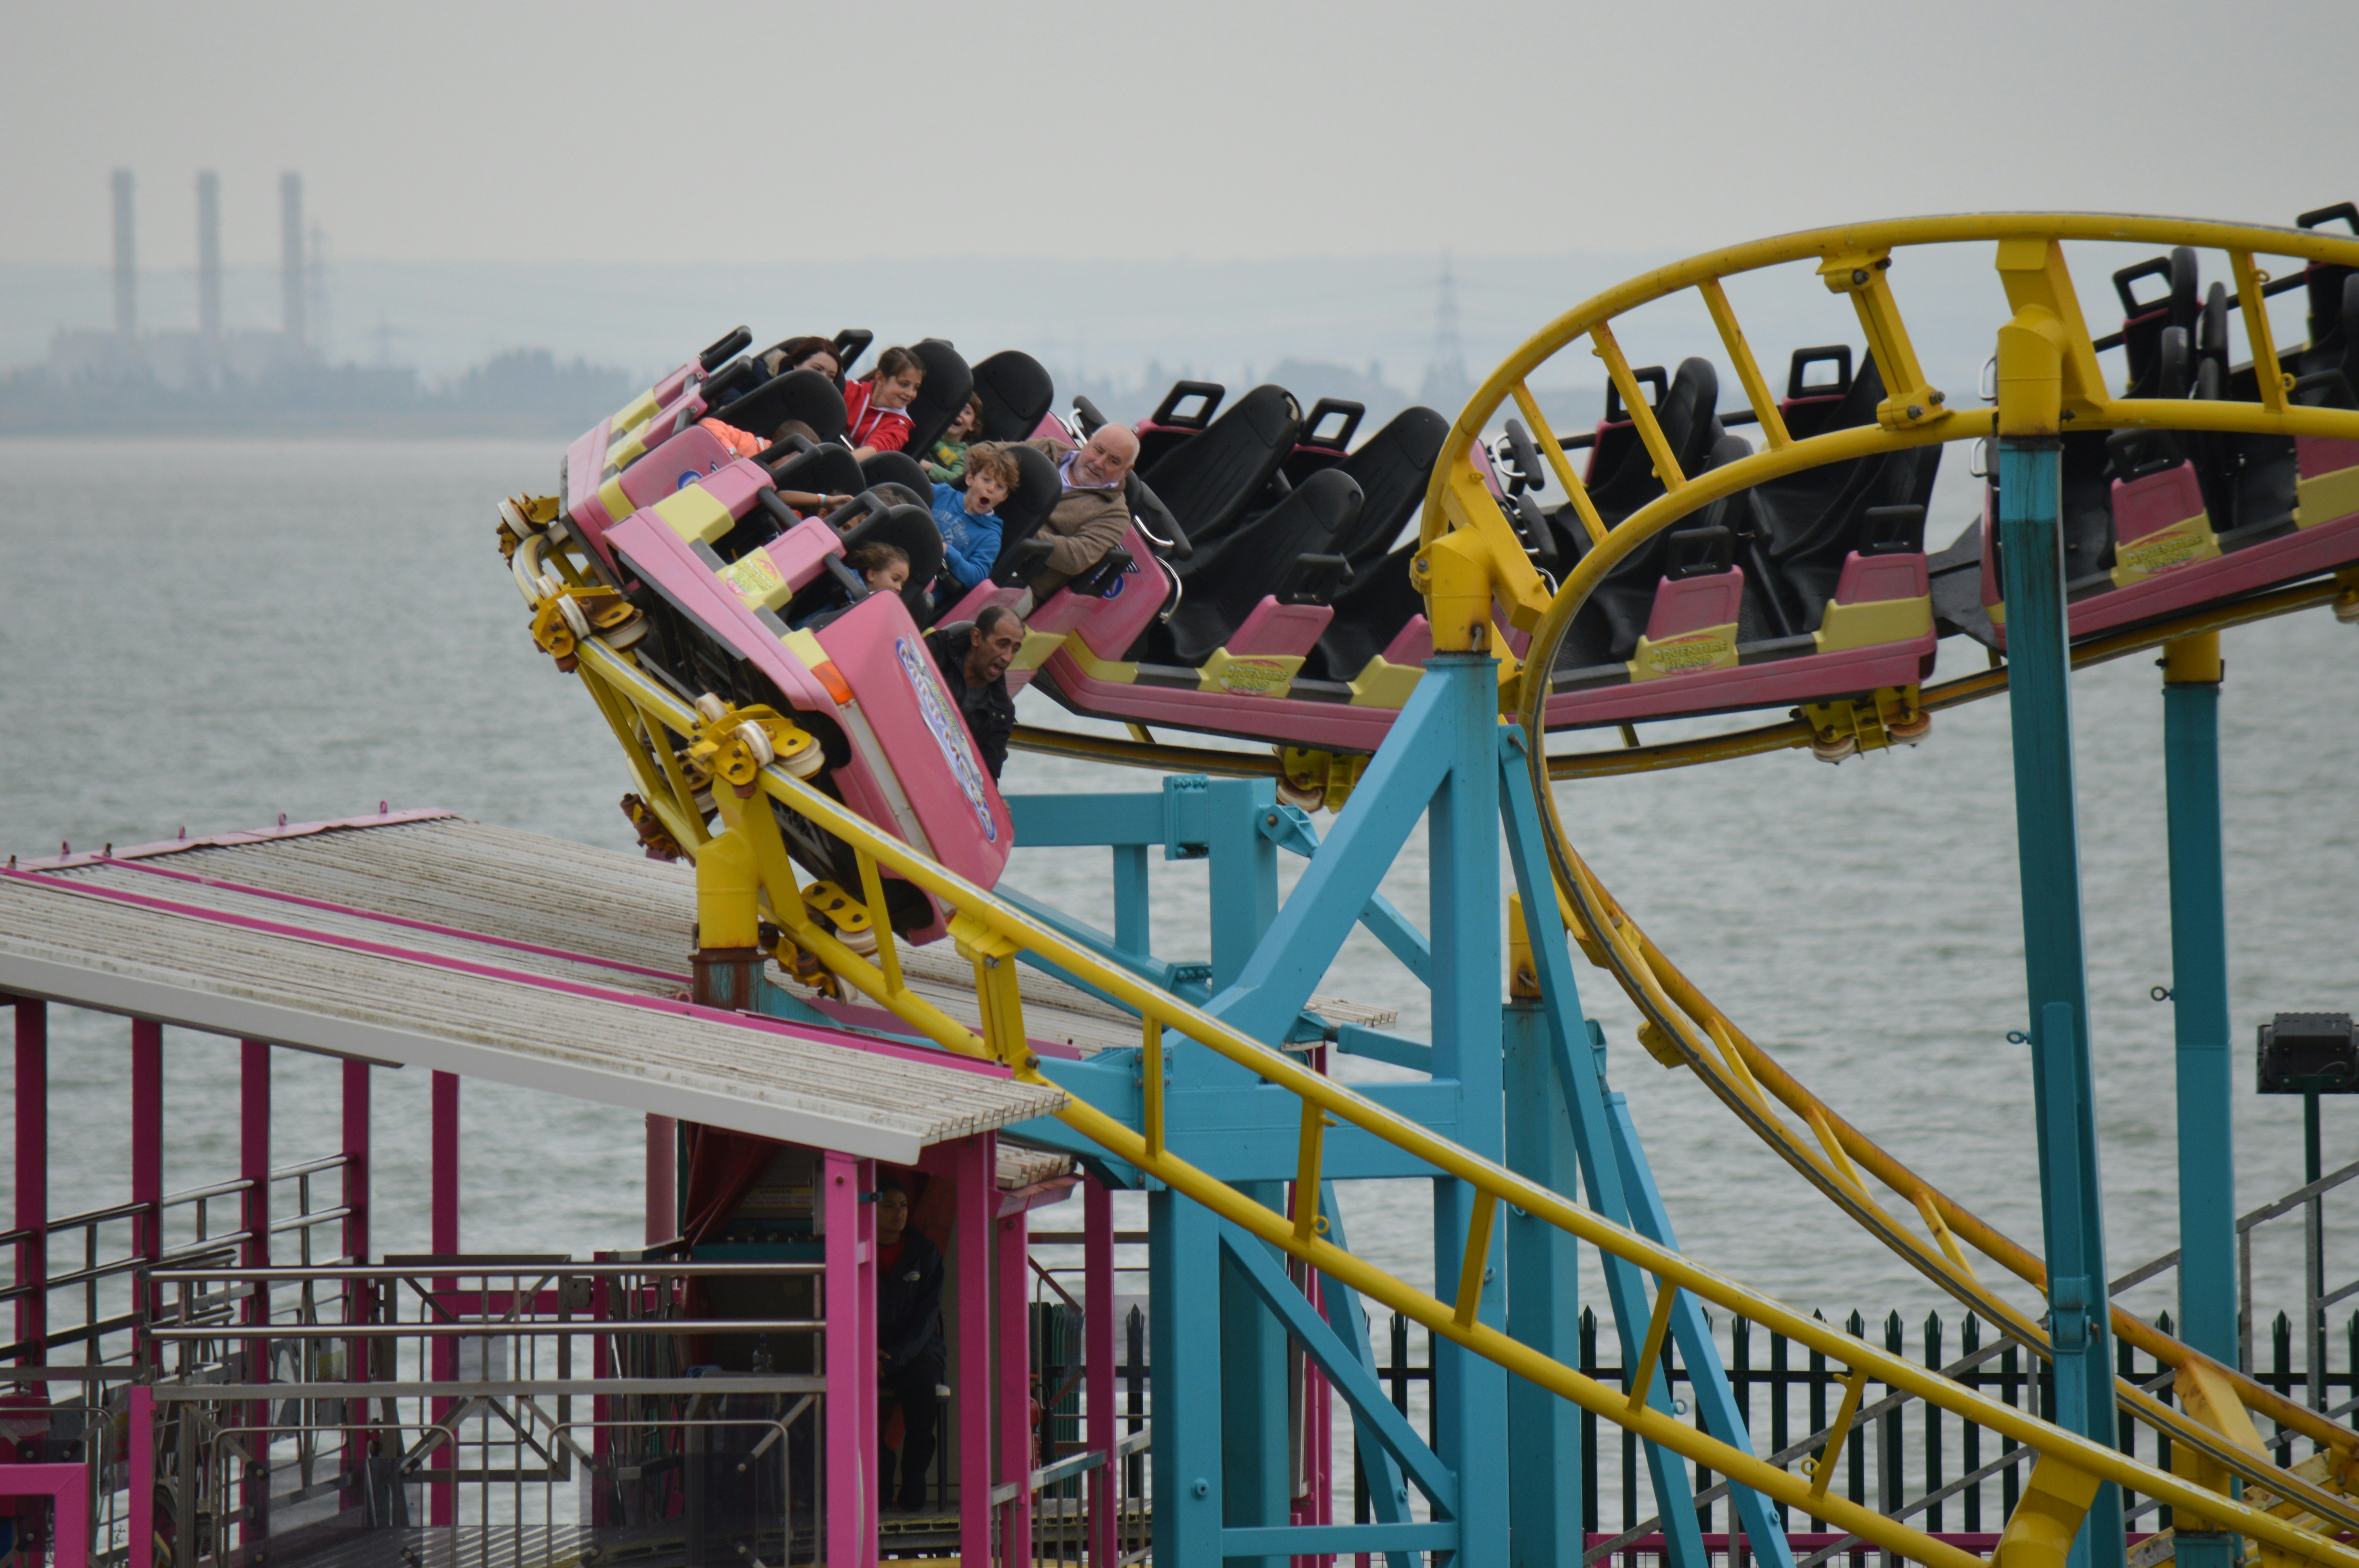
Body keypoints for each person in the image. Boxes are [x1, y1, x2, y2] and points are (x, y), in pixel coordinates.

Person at [873, 1176, 945, 1513]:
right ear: (870, 1208)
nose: (898, 1214)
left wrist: (895, 1359)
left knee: (923, 1391)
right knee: (845, 1399)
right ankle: (877, 1480)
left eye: (902, 1207)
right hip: (868, 1350)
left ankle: (914, 1484)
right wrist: (865, 1353)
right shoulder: (853, 1250)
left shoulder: (925, 1253)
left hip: (917, 1349)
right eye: (889, 1207)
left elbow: (927, 1319)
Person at [1021, 423, 1139, 597]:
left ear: (1126, 471)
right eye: (1098, 450)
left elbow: (1076, 558)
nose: (1099, 463)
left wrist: (1020, 529)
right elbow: (987, 454)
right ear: (1089, 442)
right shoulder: (1048, 449)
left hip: (1021, 580)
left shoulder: (1116, 515)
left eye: (1113, 461)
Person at [923, 604, 1023, 779]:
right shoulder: (937, 650)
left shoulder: (1003, 711)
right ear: (976, 638)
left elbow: (987, 777)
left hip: (935, 777)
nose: (1007, 657)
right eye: (1002, 644)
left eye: (1015, 649)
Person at [929, 442, 1018, 606]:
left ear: (1004, 497)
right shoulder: (943, 493)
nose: (990, 489)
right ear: (970, 479)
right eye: (986, 480)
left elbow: (978, 577)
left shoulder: (990, 536)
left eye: (999, 487)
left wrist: (947, 551)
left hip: (927, 584)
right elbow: (911, 498)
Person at [843, 346, 925, 459]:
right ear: (881, 378)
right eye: (904, 385)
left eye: (916, 388)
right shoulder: (850, 389)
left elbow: (873, 452)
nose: (911, 393)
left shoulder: (899, 427)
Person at [924, 394, 984, 484]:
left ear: (973, 426)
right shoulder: (929, 430)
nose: (960, 414)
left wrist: (929, 467)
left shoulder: (965, 455)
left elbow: (956, 479)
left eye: (967, 413)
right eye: (958, 408)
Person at [766, 334, 842, 384]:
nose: (824, 379)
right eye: (818, 369)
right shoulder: (759, 381)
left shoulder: (830, 407)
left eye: (831, 376)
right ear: (797, 365)